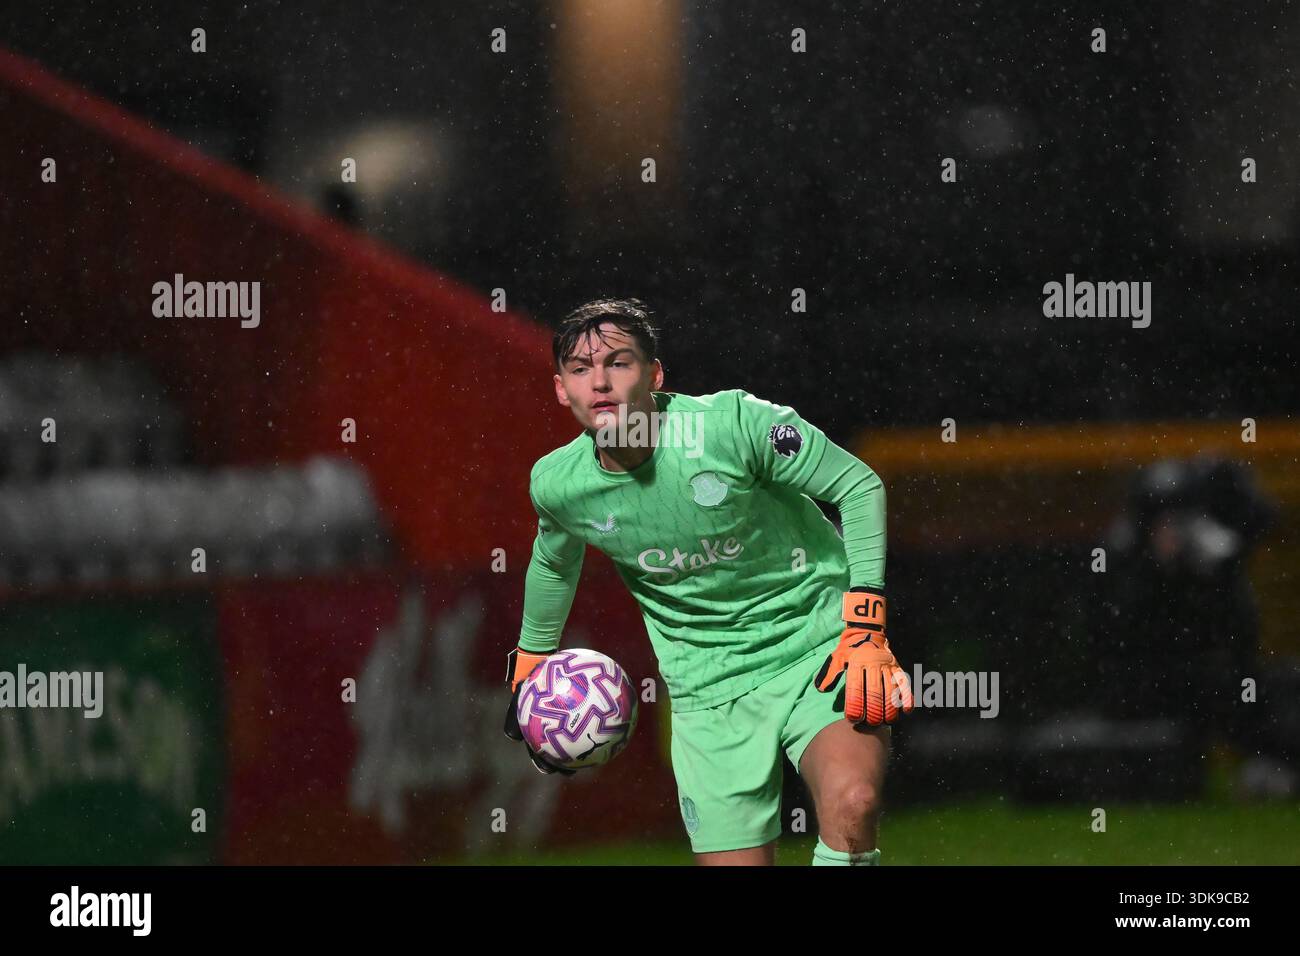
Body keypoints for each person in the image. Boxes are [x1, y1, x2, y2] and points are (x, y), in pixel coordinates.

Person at [503, 298, 913, 865]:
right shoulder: (559, 485)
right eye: (579, 369)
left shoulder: (732, 426)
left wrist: (865, 627)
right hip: (706, 689)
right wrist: (531, 657)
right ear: (560, 389)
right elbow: (554, 561)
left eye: (619, 363)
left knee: (854, 801)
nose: (599, 381)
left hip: (819, 647)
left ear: (655, 375)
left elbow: (859, 485)